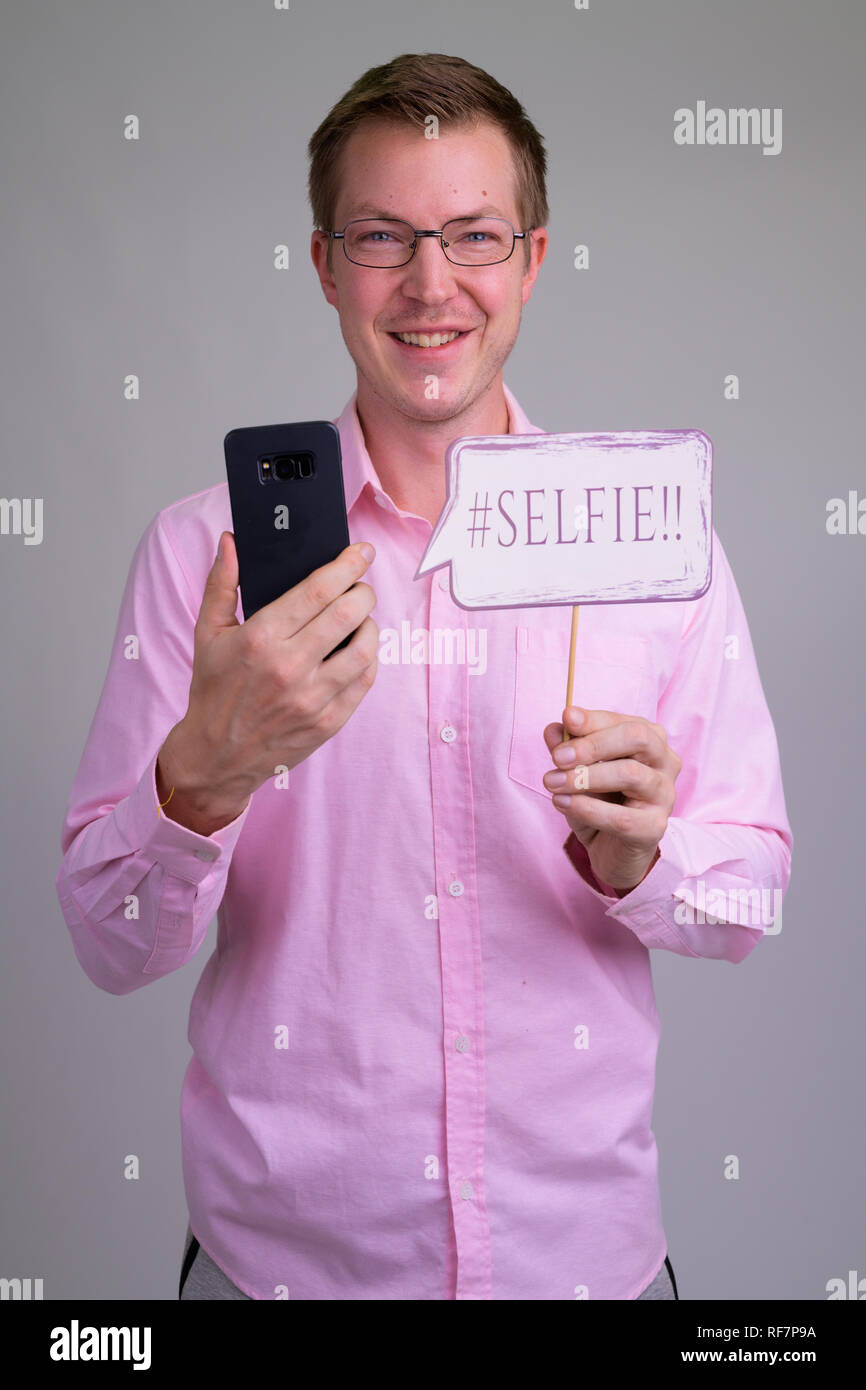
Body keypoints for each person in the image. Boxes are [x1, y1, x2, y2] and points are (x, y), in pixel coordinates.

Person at [56, 52, 791, 1301]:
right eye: (384, 236)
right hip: (280, 1272)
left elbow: (751, 898)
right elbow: (111, 943)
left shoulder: (649, 547)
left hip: (583, 1271)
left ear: (535, 259)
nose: (430, 283)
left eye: (473, 236)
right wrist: (205, 777)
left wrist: (645, 863)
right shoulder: (205, 559)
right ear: (326, 263)